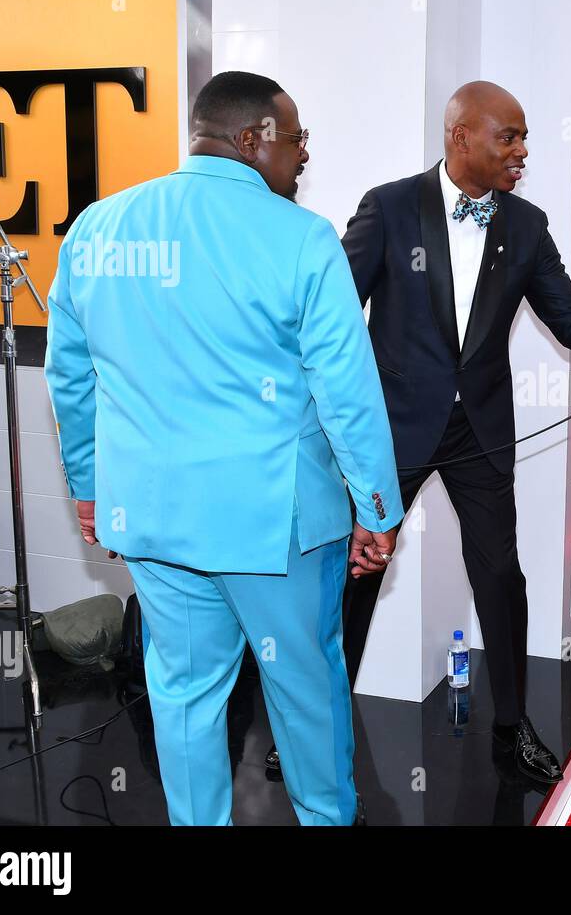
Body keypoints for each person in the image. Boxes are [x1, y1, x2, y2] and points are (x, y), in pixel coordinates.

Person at [45, 71, 403, 826]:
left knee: (181, 694)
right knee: (305, 690)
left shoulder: (96, 229)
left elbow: (70, 378)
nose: (304, 155)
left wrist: (88, 485)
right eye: (297, 138)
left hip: (153, 517)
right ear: (252, 140)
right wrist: (376, 505)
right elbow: (346, 389)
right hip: (275, 527)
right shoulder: (301, 238)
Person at [339, 81, 571, 784]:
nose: (522, 150)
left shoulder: (527, 225)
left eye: (524, 137)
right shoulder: (387, 207)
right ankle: (318, 726)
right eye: (508, 136)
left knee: (502, 578)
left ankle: (511, 730)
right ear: (460, 136)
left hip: (479, 432)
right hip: (394, 432)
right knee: (356, 576)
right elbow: (334, 318)